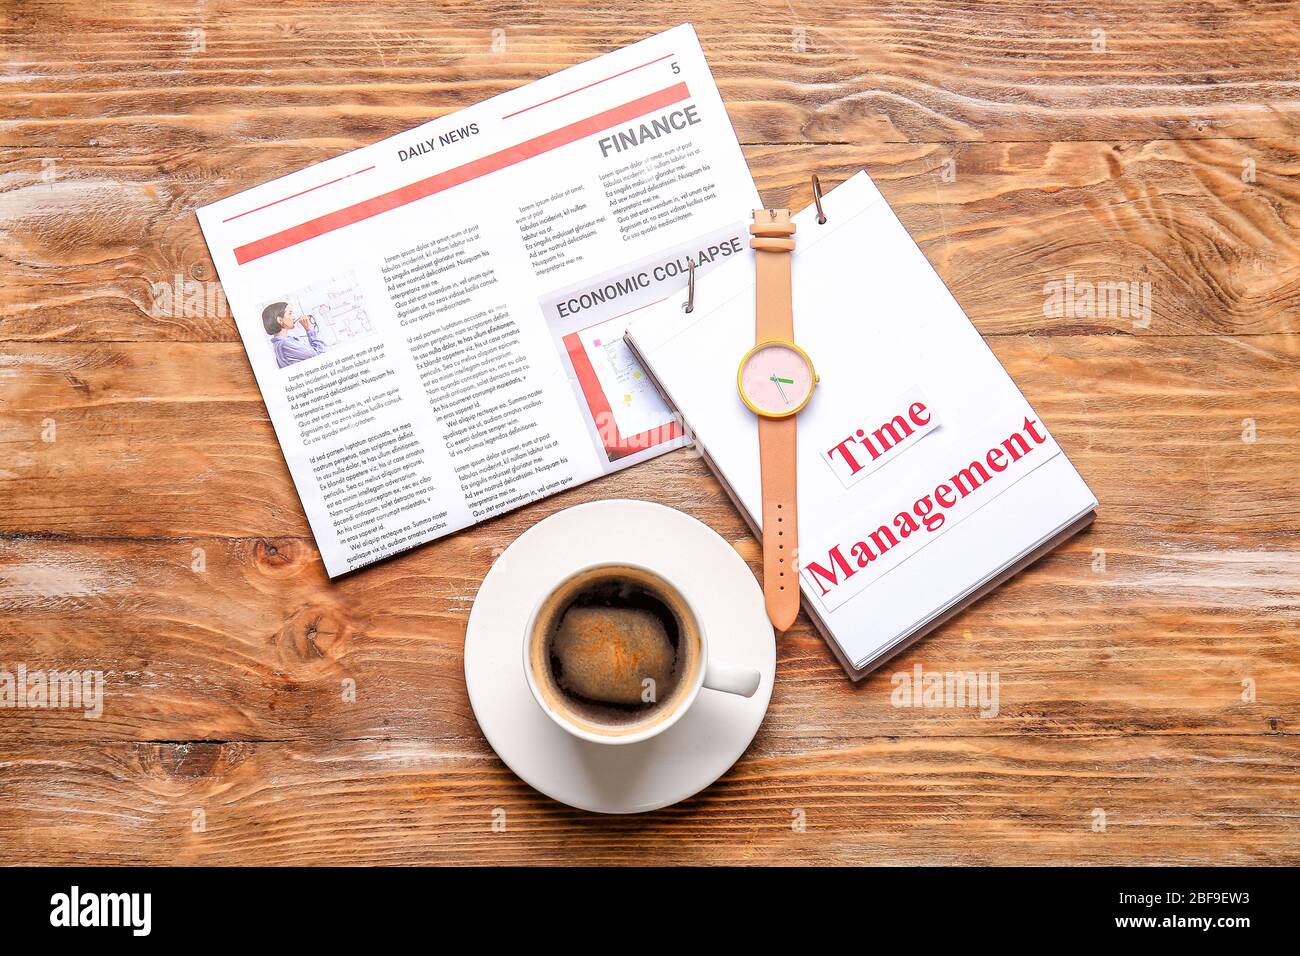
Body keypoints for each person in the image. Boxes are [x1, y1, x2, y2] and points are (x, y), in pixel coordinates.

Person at [262, 301, 327, 369]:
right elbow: (320, 355)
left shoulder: (282, 343)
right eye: (290, 313)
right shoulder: (284, 344)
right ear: (280, 320)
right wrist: (310, 331)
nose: (294, 317)